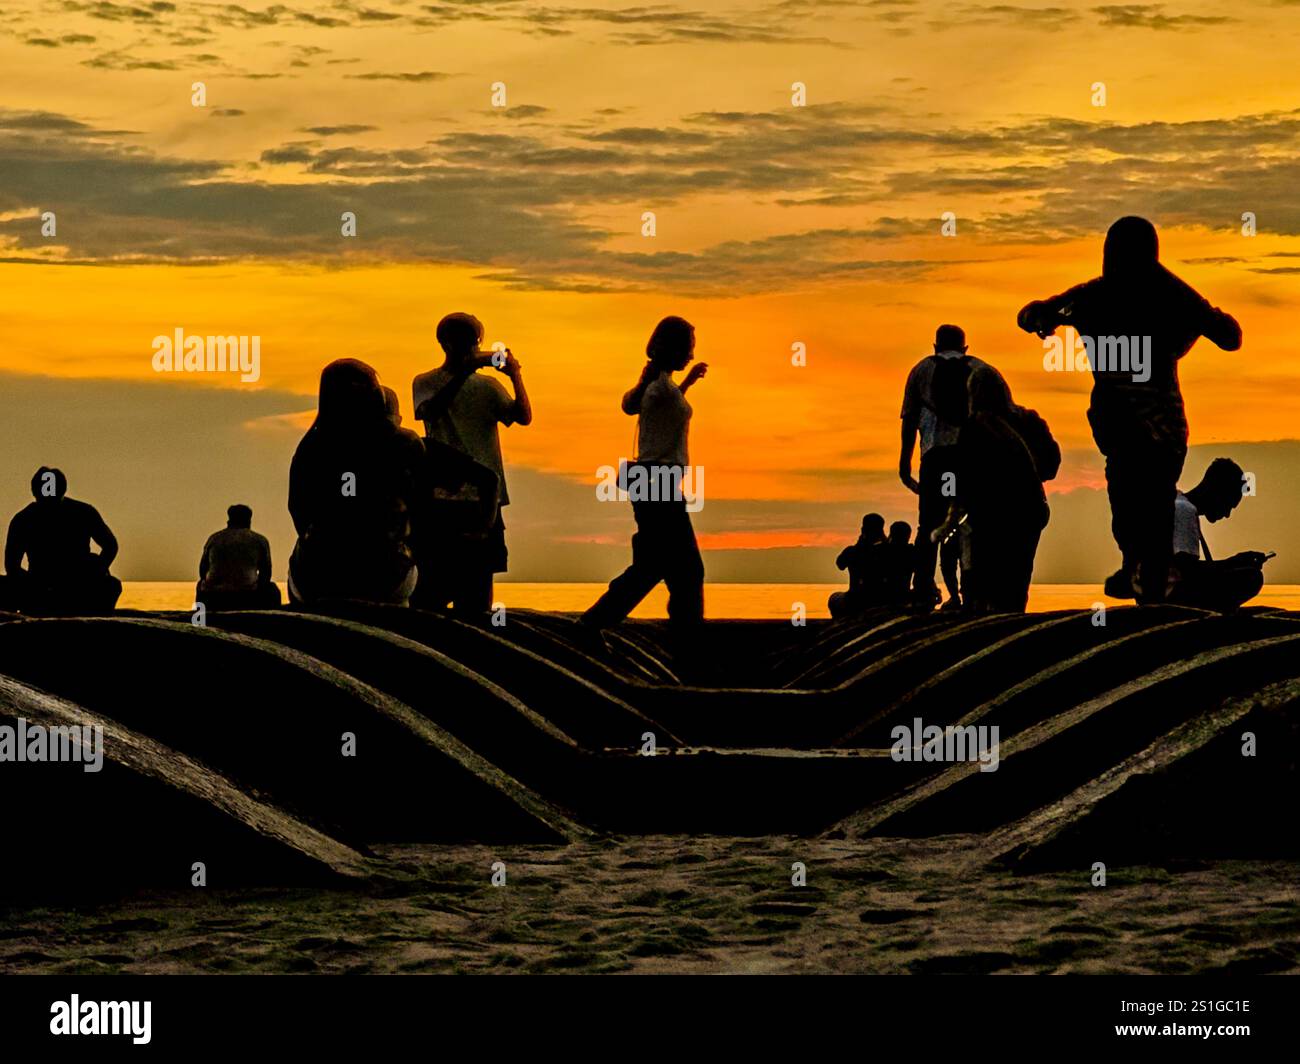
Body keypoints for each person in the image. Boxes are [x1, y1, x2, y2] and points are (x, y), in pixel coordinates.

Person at [1017, 216, 1242, 604]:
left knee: (1141, 508)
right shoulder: (1152, 293)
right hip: (1138, 426)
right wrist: (1042, 316)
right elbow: (1032, 315)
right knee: (1134, 508)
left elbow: (1229, 335)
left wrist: (1042, 317)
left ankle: (1145, 577)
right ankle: (1140, 571)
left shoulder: (1104, 294)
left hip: (1143, 426)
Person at [582, 315, 708, 633]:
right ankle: (594, 624)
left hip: (652, 481)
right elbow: (646, 404)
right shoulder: (659, 387)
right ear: (674, 348)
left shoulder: (659, 386)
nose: (692, 354)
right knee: (684, 570)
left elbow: (641, 407)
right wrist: (680, 386)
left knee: (660, 566)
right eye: (689, 348)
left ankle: (594, 623)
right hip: (658, 481)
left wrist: (687, 384)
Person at [411, 314, 532, 615]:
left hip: (484, 500)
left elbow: (523, 416)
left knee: (478, 591)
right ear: (444, 343)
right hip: (441, 497)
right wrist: (464, 373)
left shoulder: (488, 387)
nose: (469, 348)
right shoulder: (426, 382)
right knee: (431, 589)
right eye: (462, 342)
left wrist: (515, 374)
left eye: (473, 343)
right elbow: (430, 412)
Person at [288, 359, 426, 606]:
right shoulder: (404, 442)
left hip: (314, 576)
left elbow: (297, 509)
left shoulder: (310, 447)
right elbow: (421, 507)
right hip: (385, 575)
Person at [899, 324, 1010, 610]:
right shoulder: (984, 370)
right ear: (965, 348)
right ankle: (973, 592)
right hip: (973, 458)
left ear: (935, 346)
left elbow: (910, 420)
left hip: (936, 456)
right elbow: (1002, 417)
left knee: (929, 526)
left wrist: (904, 464)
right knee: (972, 525)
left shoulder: (921, 370)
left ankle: (923, 590)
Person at [942, 371, 1057, 613]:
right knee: (1018, 576)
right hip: (1030, 507)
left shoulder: (974, 426)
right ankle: (1013, 619)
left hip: (990, 513)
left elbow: (964, 475)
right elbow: (1051, 465)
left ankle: (983, 623)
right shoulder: (1030, 420)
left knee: (982, 579)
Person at [1, 467, 121, 615]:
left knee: (111, 585)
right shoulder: (23, 519)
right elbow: (12, 566)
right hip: (39, 587)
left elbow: (110, 545)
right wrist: (37, 585)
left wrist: (97, 569)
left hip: (80, 586)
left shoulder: (83, 512)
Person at [1167, 458, 1266, 611]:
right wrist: (1232, 563)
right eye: (1229, 504)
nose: (1227, 514)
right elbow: (1187, 571)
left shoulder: (1179, 505)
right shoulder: (1184, 511)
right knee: (1252, 577)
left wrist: (1233, 562)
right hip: (1173, 595)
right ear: (1217, 491)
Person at [195, 504, 280, 610]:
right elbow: (266, 573)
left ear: (229, 519)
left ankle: (200, 619)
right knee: (272, 589)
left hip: (214, 596)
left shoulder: (214, 539)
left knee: (200, 585)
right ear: (249, 520)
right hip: (246, 595)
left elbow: (202, 570)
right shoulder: (259, 540)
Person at [827, 513, 888, 618]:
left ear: (863, 529)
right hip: (880, 598)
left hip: (855, 599)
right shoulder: (887, 552)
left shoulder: (853, 551)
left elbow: (840, 564)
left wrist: (859, 543)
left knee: (834, 598)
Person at [885, 519, 917, 605]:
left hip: (884, 595)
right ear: (908, 536)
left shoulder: (883, 551)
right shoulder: (911, 552)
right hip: (903, 596)